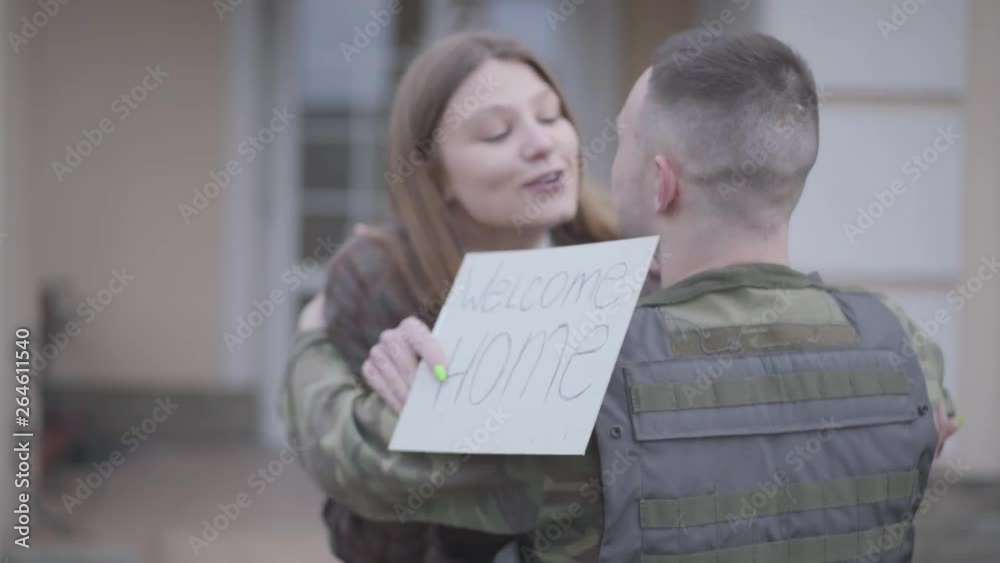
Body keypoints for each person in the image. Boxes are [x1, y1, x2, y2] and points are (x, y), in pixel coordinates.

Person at [284, 31, 961, 562]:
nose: (549, 145)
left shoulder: (563, 370)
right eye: (497, 131)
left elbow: (356, 459)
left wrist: (312, 339)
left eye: (624, 142)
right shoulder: (903, 344)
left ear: (662, 184)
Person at [279, 30, 632, 563]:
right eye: (496, 133)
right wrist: (404, 431)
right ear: (435, 176)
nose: (543, 144)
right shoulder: (379, 278)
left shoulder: (621, 255)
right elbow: (364, 536)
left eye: (551, 114)